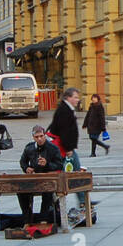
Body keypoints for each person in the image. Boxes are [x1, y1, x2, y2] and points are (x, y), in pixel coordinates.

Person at [47, 86, 88, 216]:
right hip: (63, 148)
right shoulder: (64, 110)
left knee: (74, 173)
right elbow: (64, 131)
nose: (78, 100)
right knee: (71, 173)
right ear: (68, 98)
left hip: (65, 147)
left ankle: (81, 200)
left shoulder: (67, 109)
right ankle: (78, 201)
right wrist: (69, 148)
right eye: (75, 97)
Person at [18, 124, 64, 222]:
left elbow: (59, 165)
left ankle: (44, 219)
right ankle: (27, 219)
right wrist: (26, 168)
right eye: (37, 137)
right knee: (21, 192)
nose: (39, 139)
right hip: (34, 179)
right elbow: (22, 161)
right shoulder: (29, 148)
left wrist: (47, 164)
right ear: (33, 138)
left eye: (41, 136)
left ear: (44, 135)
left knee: (47, 193)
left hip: (48, 179)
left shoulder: (53, 148)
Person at [84, 93, 109, 157]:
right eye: (93, 98)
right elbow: (88, 115)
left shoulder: (100, 106)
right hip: (91, 126)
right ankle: (105, 147)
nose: (93, 99)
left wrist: (103, 128)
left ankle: (93, 153)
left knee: (93, 138)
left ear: (98, 99)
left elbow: (102, 117)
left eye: (95, 98)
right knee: (92, 139)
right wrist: (85, 124)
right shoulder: (91, 106)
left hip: (97, 126)